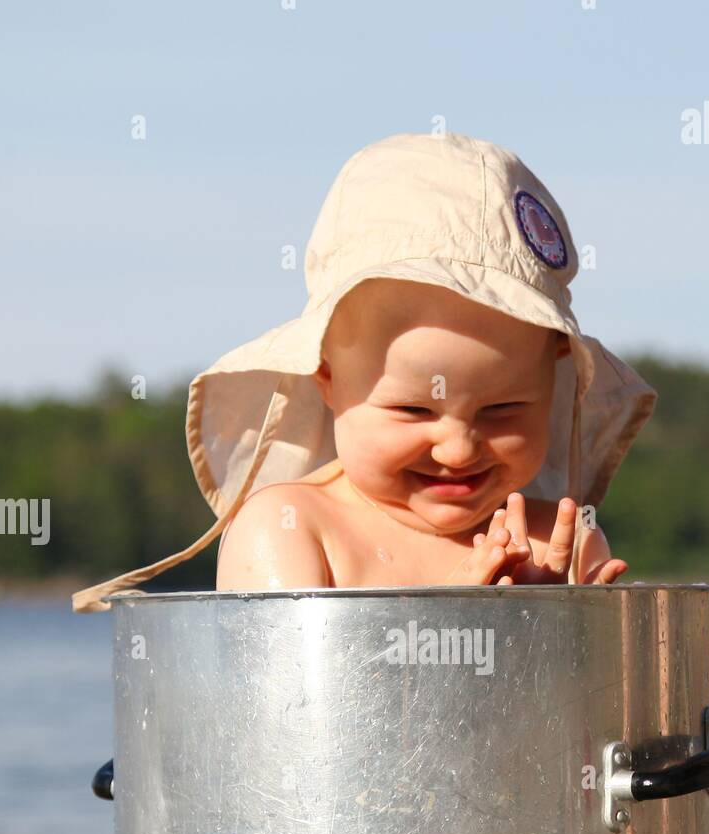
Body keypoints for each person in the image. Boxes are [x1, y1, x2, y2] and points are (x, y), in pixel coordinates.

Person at [71, 132, 656, 613]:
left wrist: (551, 630)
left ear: (553, 380)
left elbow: (594, 735)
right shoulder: (291, 530)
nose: (457, 448)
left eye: (503, 410)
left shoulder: (561, 548)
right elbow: (281, 724)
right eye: (414, 410)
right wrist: (448, 630)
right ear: (325, 376)